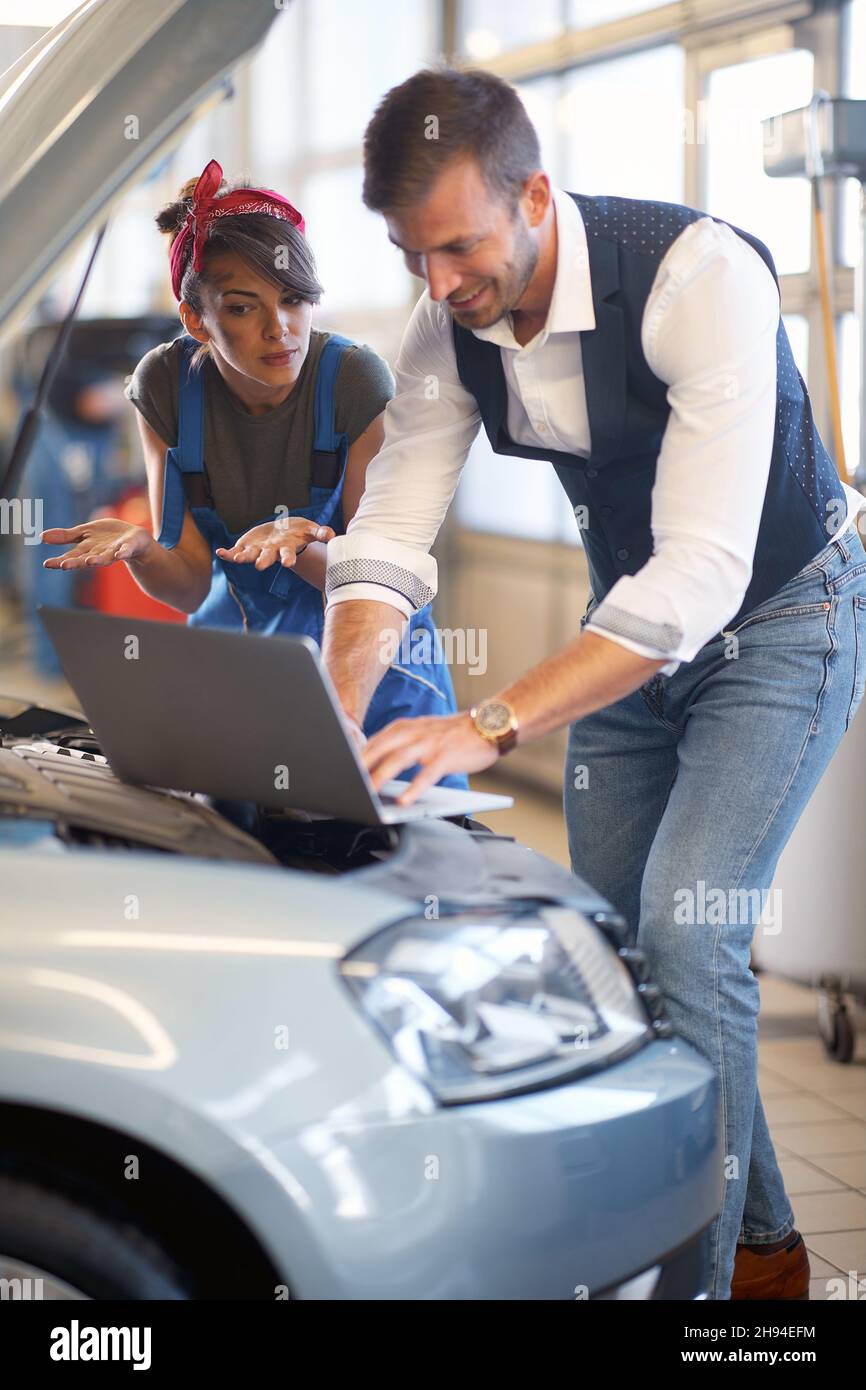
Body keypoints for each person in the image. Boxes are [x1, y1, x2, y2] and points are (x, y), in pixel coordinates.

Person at [317, 67, 866, 1299]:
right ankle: (771, 1255)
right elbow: (390, 532)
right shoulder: (443, 326)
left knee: (689, 928)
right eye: (413, 256)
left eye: (459, 246)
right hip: (626, 630)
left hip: (782, 618)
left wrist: (487, 721)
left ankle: (701, 1289)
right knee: (611, 948)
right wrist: (332, 712)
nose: (440, 283)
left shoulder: (696, 276)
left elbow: (701, 574)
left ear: (534, 197)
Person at [40, 158, 467, 789]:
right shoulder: (164, 386)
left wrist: (298, 550)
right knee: (247, 853)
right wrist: (140, 552)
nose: (280, 329)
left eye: (295, 300)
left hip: (374, 669)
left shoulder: (352, 380)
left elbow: (377, 577)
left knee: (399, 858)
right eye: (243, 308)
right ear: (195, 320)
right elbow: (188, 584)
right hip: (245, 670)